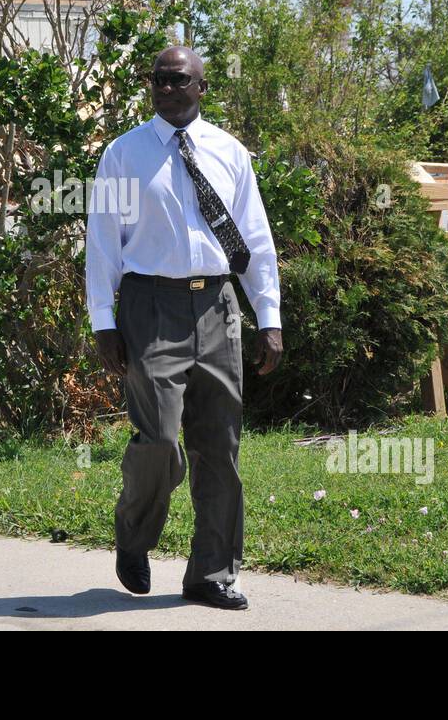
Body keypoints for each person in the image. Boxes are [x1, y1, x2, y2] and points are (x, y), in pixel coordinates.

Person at [85, 45, 282, 610]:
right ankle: (134, 537)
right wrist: (104, 320)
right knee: (161, 439)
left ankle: (211, 572)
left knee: (219, 444)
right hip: (150, 306)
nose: (168, 88)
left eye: (179, 80)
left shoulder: (228, 151)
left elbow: (256, 241)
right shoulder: (125, 154)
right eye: (159, 80)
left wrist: (267, 317)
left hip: (218, 305)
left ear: (201, 86)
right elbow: (103, 243)